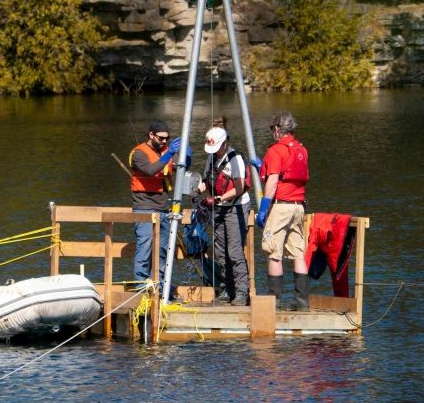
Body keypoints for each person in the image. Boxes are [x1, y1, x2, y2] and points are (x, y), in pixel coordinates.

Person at [255, 110, 310, 311]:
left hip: (281, 206)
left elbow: (273, 180)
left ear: (278, 129)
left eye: (272, 129)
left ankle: (274, 302)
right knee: (297, 253)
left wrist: (263, 208)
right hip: (299, 207)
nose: (272, 133)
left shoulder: (275, 150)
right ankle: (302, 300)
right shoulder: (302, 150)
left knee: (273, 252)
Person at [128, 120, 191, 290]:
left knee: (163, 249)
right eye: (161, 138)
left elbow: (181, 167)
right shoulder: (139, 153)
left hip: (163, 208)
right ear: (151, 135)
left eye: (167, 139)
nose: (164, 142)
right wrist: (169, 153)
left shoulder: (166, 151)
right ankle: (141, 286)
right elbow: (150, 170)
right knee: (145, 246)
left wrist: (187, 156)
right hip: (144, 207)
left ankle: (161, 286)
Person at [197, 124, 251, 306]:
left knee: (234, 251)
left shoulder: (235, 160)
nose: (214, 151)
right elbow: (206, 180)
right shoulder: (211, 158)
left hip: (236, 206)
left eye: (217, 147)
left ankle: (242, 292)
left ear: (225, 144)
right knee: (219, 250)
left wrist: (219, 198)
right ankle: (226, 289)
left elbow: (239, 187)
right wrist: (199, 189)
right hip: (219, 207)